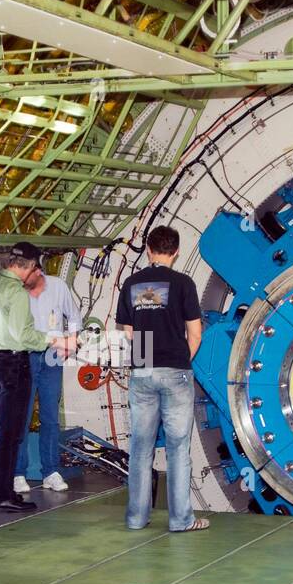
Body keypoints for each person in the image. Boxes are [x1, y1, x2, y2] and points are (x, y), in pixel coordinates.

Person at [116, 225, 209, 532]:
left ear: (148, 249)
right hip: (176, 370)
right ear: (177, 251)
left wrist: (147, 357)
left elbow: (129, 331)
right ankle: (181, 520)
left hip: (142, 370)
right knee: (177, 448)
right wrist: (181, 358)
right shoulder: (183, 283)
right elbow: (195, 332)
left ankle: (136, 518)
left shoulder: (132, 283)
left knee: (140, 449)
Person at [0, 243, 73, 513]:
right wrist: (53, 338)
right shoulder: (16, 293)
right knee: (12, 433)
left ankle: (3, 490)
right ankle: (3, 495)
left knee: (3, 431)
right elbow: (23, 335)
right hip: (15, 363)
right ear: (29, 266)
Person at [13, 268, 81, 494]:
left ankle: (51, 472)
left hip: (52, 355)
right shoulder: (15, 288)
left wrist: (71, 340)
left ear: (38, 271)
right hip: (25, 355)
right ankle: (17, 473)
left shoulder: (58, 286)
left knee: (50, 416)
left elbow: (74, 316)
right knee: (21, 416)